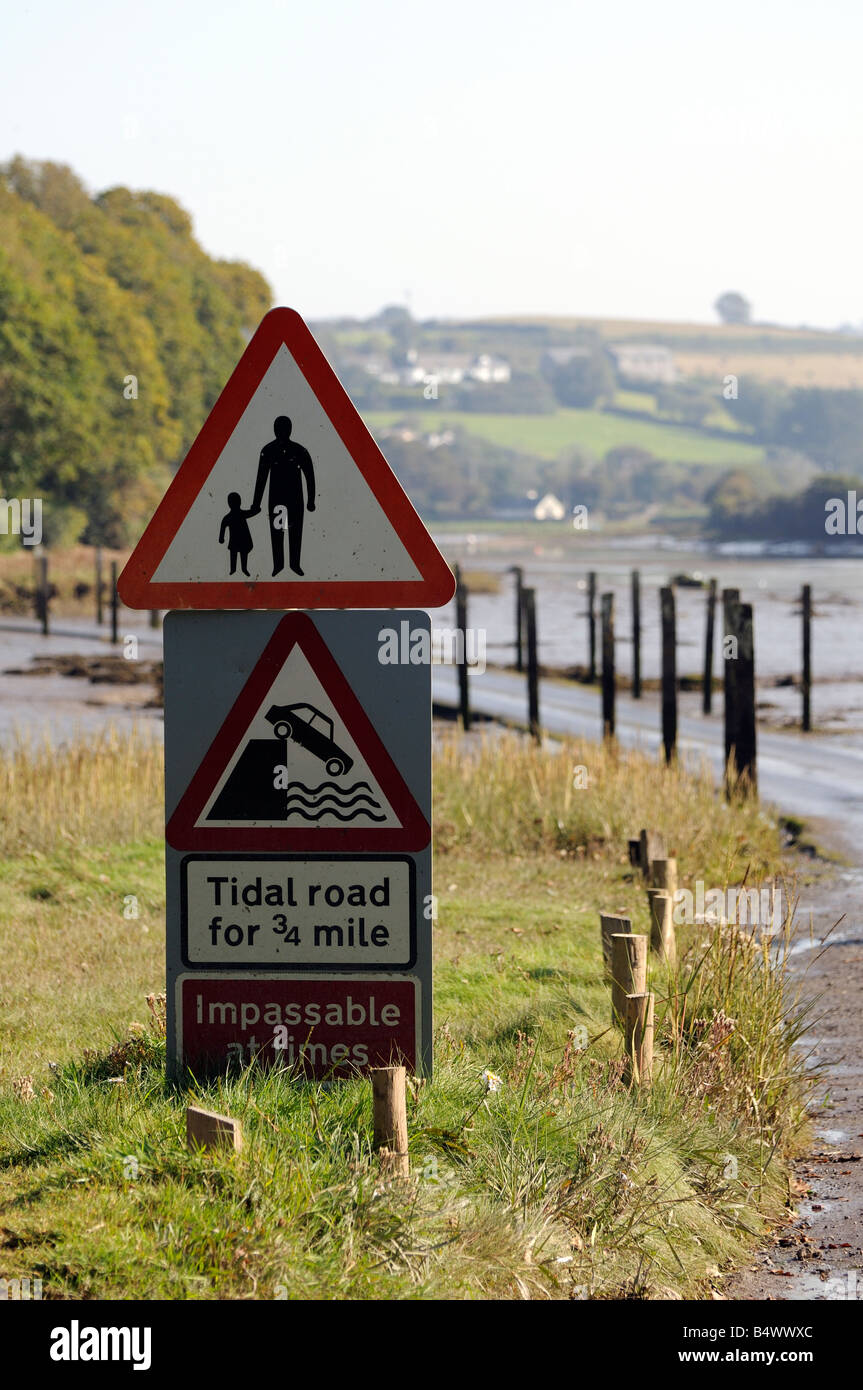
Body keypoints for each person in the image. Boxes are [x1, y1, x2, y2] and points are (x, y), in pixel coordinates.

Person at [249, 416, 316, 576]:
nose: (282, 432)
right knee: (277, 532)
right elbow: (261, 478)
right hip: (277, 499)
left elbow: (310, 476)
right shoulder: (268, 450)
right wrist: (256, 504)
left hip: (295, 500)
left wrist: (311, 501)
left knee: (295, 532)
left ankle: (294, 564)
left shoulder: (300, 451)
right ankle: (278, 565)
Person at [218, 492, 255, 576]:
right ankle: (233, 569)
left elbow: (253, 512)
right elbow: (223, 527)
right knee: (234, 554)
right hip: (235, 540)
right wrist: (221, 537)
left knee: (243, 554)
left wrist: (221, 538)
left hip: (242, 539)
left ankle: (243, 569)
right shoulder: (229, 517)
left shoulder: (239, 514)